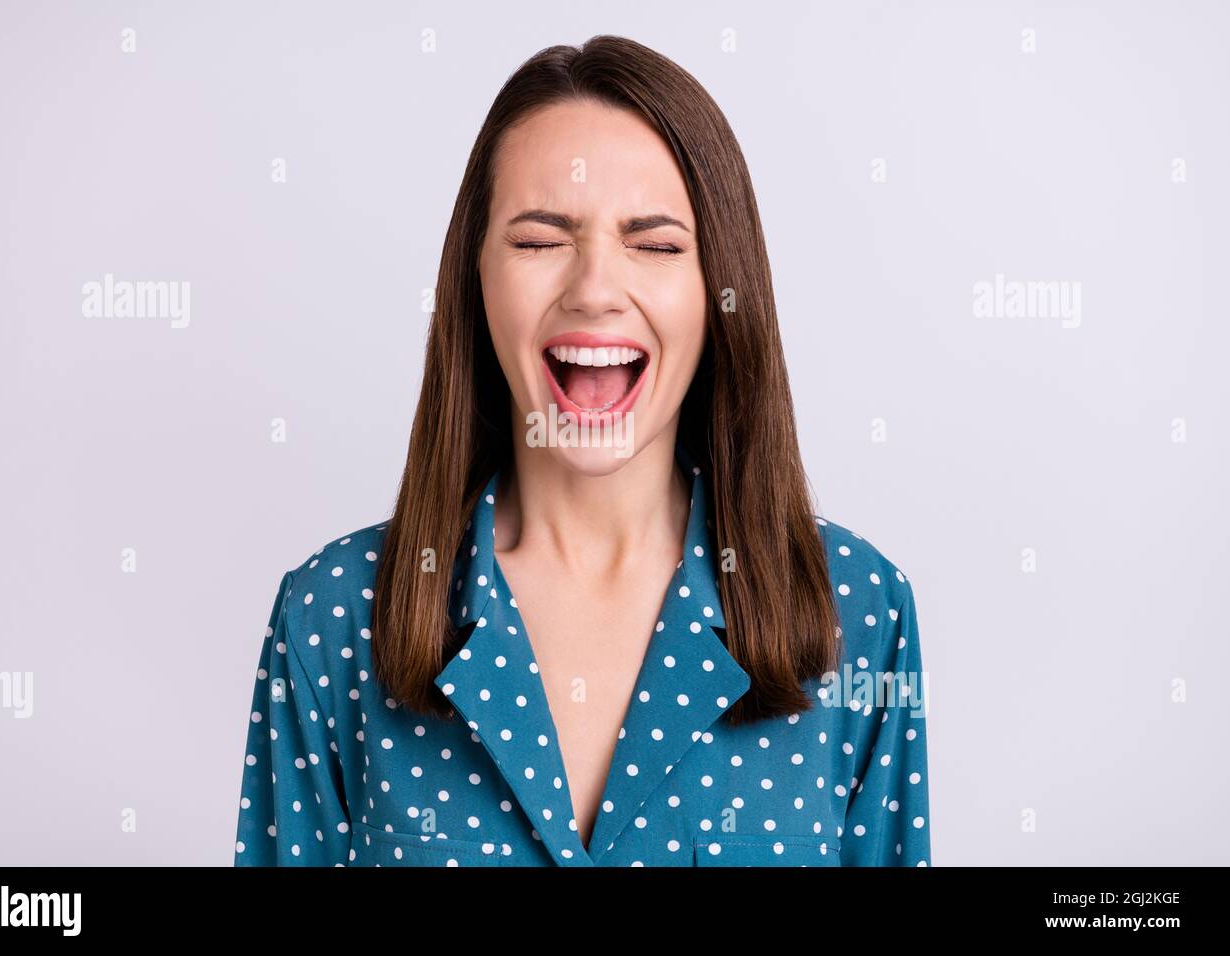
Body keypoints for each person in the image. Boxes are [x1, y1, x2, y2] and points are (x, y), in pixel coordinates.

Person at [234, 34, 930, 867]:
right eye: (538, 241)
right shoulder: (333, 618)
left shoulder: (859, 611)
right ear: (475, 281)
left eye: (659, 244)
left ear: (720, 292)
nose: (595, 288)